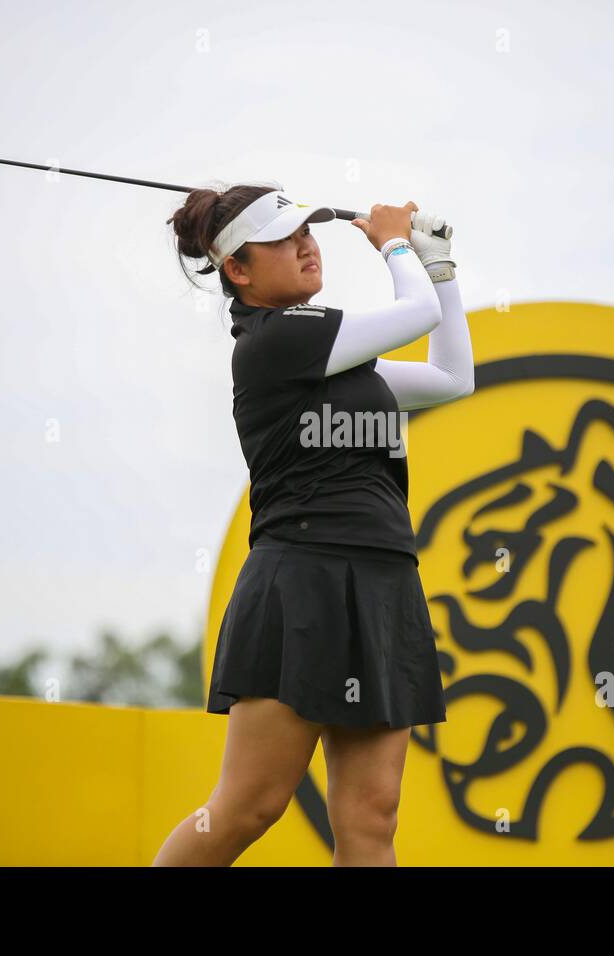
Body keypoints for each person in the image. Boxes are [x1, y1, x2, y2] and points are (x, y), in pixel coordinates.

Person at [152, 184, 473, 866]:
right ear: (238, 271)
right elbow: (412, 313)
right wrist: (393, 243)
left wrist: (438, 267)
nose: (306, 246)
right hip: (302, 582)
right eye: (284, 239)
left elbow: (451, 378)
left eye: (309, 233)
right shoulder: (274, 341)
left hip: (385, 581)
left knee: (371, 820)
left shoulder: (336, 356)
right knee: (249, 807)